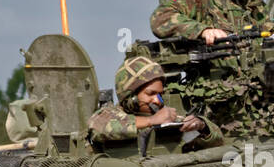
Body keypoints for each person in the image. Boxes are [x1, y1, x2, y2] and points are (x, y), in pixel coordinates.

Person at [87, 55, 220, 149]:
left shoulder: (167, 120)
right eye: (150, 94)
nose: (157, 100)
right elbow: (98, 128)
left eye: (160, 94)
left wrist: (201, 125)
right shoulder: (109, 115)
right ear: (130, 96)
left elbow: (218, 141)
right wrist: (151, 121)